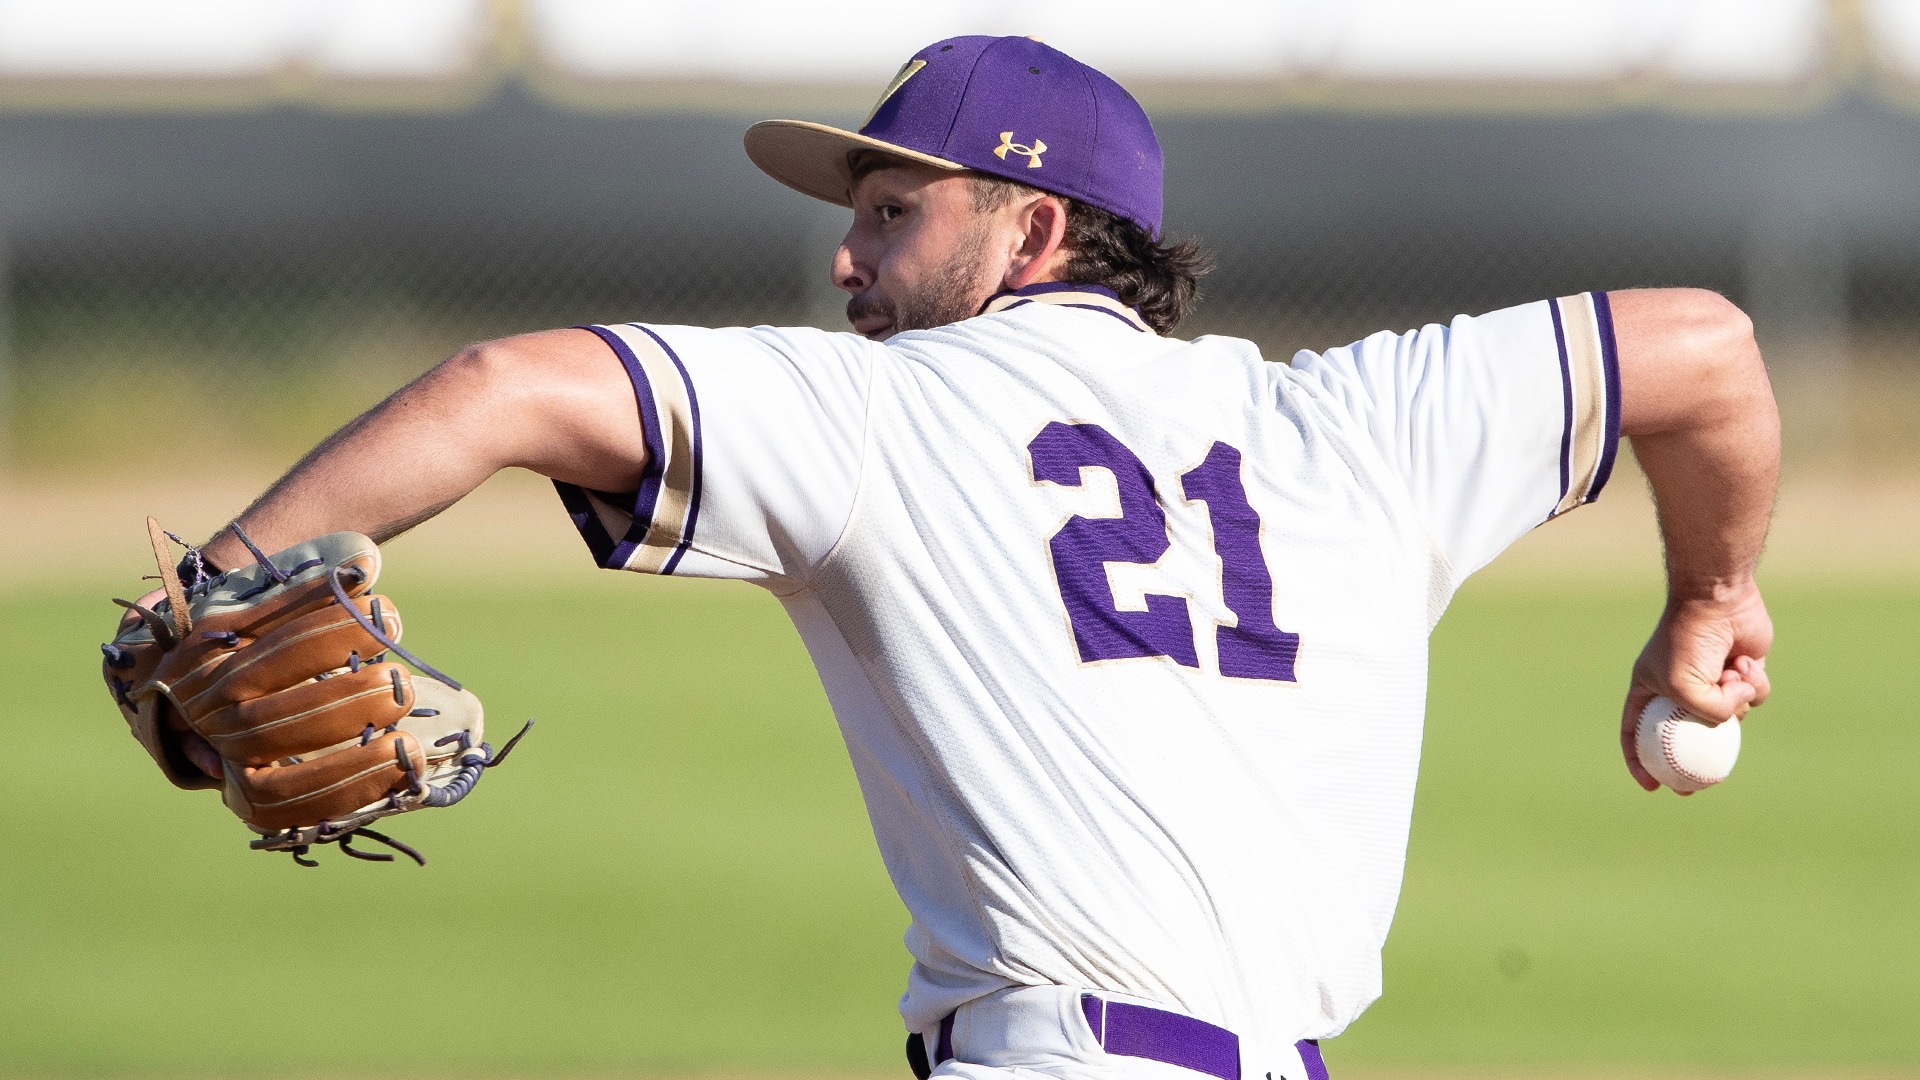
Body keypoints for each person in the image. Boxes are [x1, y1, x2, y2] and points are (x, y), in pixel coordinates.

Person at [165, 36, 1777, 1080]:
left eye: (891, 208)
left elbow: (499, 389)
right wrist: (1710, 596)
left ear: (1036, 229)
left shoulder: (883, 412)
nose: (848, 253)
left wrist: (208, 595)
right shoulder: (1351, 422)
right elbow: (1702, 349)